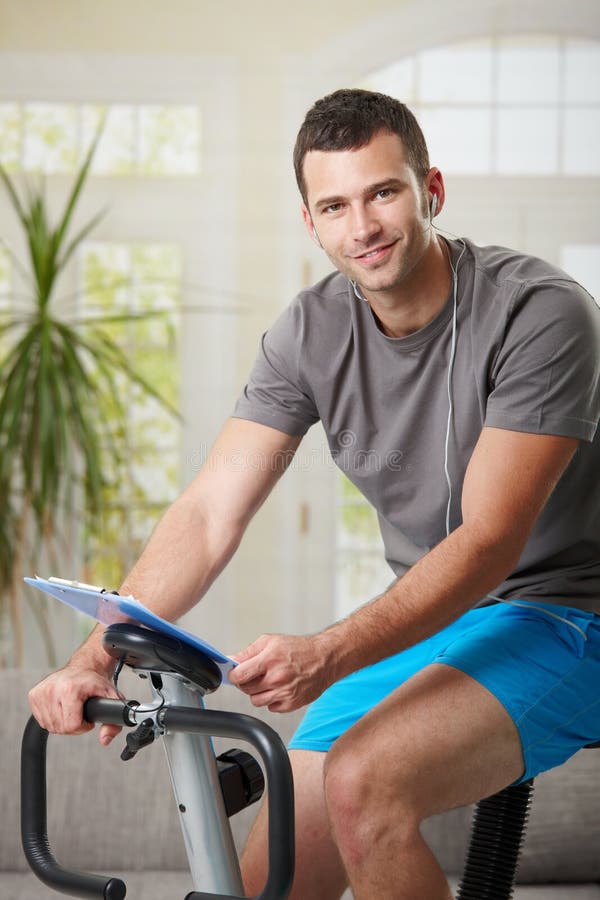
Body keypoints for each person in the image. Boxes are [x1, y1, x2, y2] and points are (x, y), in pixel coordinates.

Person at [29, 89, 600, 900]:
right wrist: (97, 658)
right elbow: (207, 511)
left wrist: (328, 654)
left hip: (569, 616)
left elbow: (489, 542)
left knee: (365, 782)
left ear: (431, 190)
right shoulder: (310, 330)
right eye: (334, 205)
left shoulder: (540, 313)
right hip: (437, 622)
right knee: (268, 881)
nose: (360, 227)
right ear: (311, 222)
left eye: (383, 193)